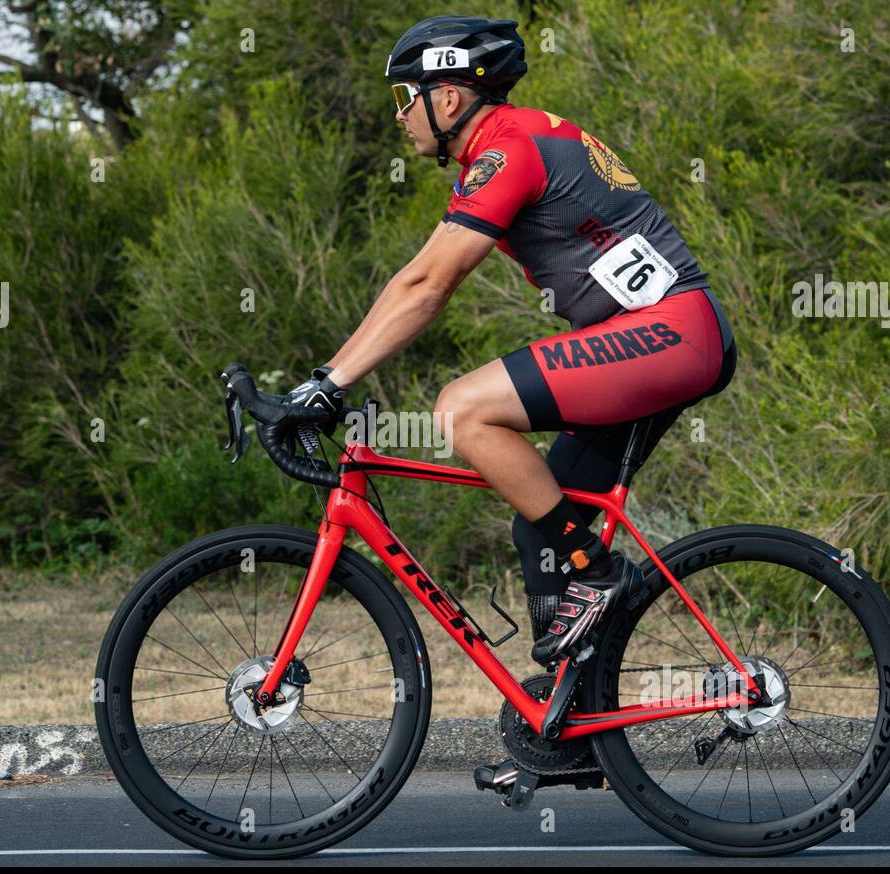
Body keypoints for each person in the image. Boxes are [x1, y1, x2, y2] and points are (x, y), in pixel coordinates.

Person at [287, 15, 736, 669]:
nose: (399, 115)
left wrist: (326, 383)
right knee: (541, 528)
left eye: (403, 96)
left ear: (446, 98)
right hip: (661, 336)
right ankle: (566, 728)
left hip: (673, 334)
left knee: (463, 409)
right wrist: (329, 377)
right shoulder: (504, 145)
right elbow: (415, 279)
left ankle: (601, 572)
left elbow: (427, 287)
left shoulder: (507, 149)